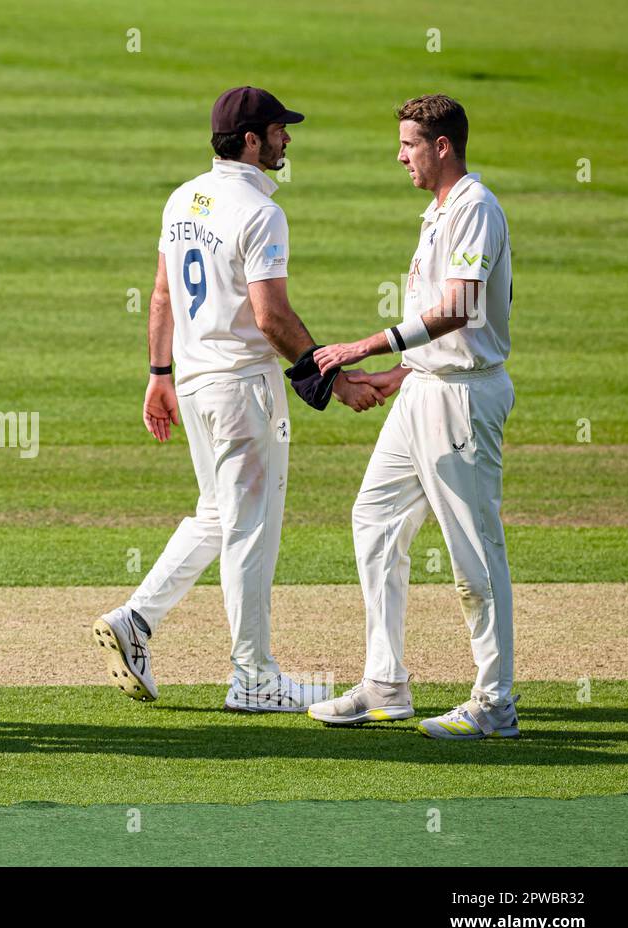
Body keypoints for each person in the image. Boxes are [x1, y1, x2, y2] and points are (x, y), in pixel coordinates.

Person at [93, 87, 384, 713]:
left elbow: (164, 293)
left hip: (197, 385)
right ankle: (253, 678)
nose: (287, 140)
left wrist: (160, 372)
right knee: (251, 531)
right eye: (279, 130)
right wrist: (332, 381)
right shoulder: (260, 212)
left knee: (217, 515)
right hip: (243, 389)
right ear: (250, 140)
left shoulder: (181, 199)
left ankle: (135, 621)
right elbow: (271, 316)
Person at [308, 95, 519, 739]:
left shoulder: (476, 209)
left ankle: (494, 704)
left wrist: (365, 347)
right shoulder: (437, 214)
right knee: (374, 518)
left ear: (443, 146)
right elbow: (440, 332)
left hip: (463, 398)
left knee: (473, 553)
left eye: (409, 144)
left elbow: (459, 311)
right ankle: (385, 683)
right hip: (424, 390)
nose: (400, 156)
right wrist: (398, 374)